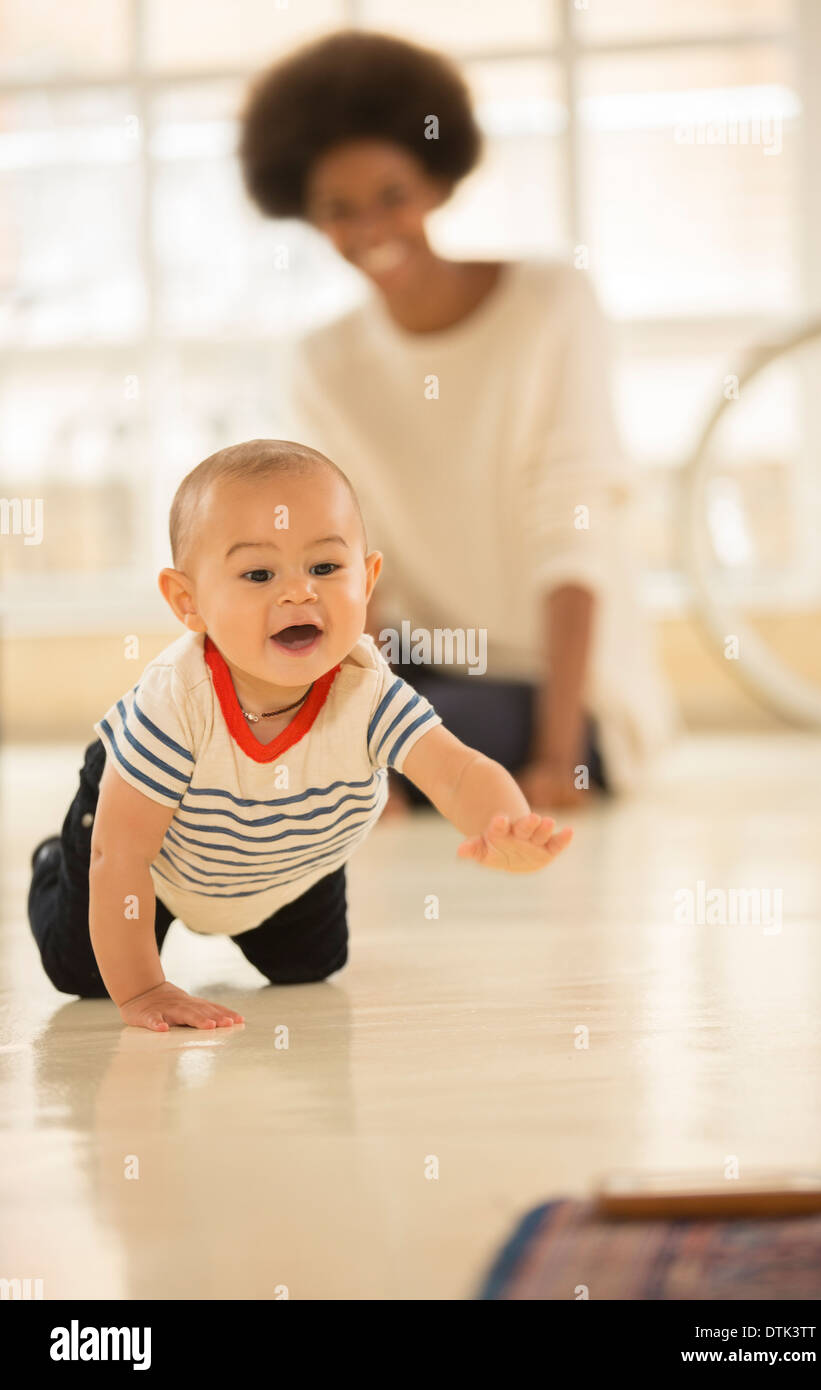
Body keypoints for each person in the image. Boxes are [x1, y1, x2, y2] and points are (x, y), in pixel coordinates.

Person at [239, 29, 678, 818]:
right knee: (230, 728)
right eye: (339, 210)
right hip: (419, 662)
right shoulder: (321, 361)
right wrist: (346, 734)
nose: (371, 228)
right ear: (309, 219)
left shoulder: (551, 305)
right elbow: (343, 559)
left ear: (437, 184)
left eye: (391, 196)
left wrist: (556, 760)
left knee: (384, 753)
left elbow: (570, 520)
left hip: (559, 688)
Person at [27, 439, 574, 1030]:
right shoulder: (175, 705)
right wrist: (144, 991)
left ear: (367, 580)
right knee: (84, 974)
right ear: (189, 602)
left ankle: (275, 894)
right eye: (259, 573)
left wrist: (504, 825)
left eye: (324, 567)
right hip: (153, 859)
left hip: (287, 858)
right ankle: (55, 862)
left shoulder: (366, 690)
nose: (298, 591)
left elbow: (457, 771)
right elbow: (122, 853)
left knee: (312, 966)